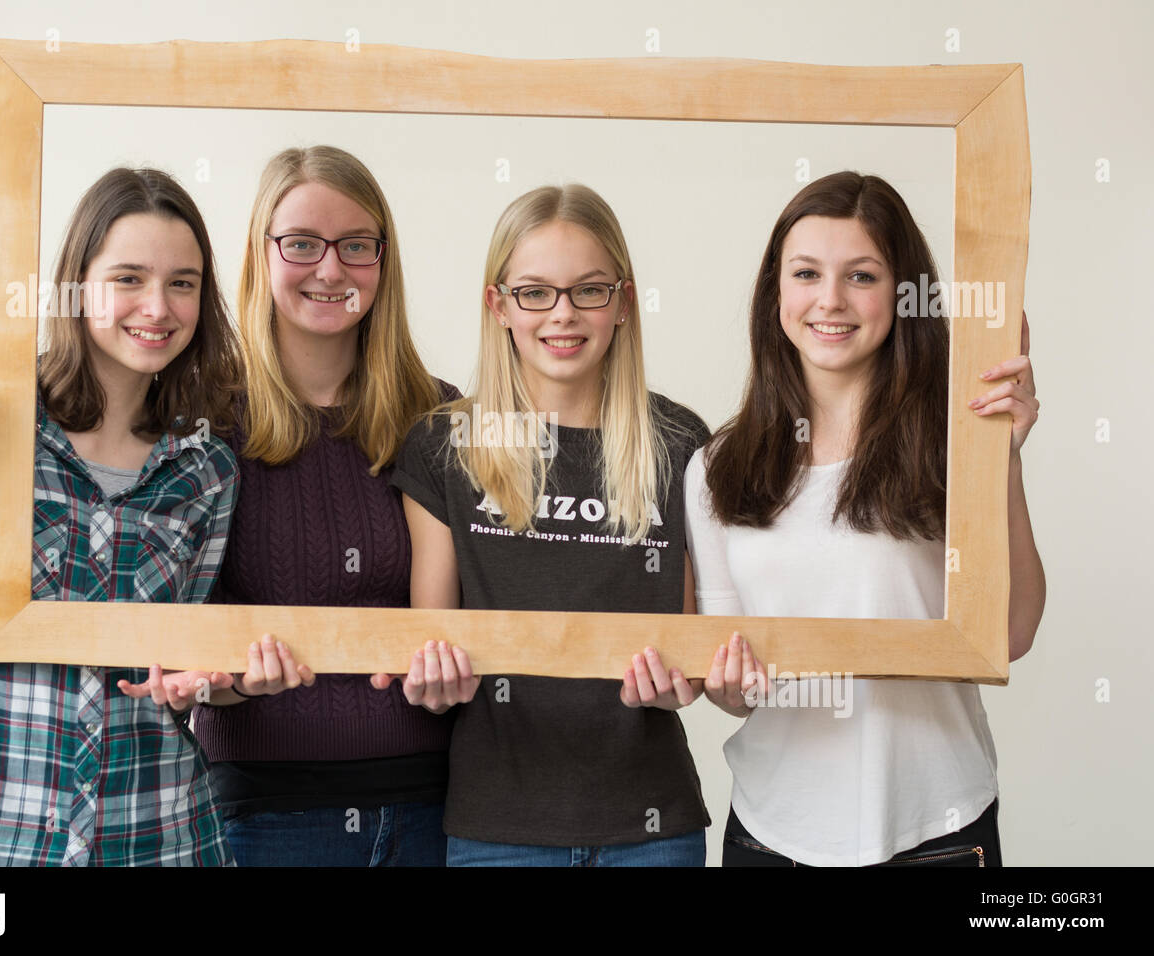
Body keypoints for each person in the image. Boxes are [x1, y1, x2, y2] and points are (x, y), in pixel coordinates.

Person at [0, 167, 245, 865]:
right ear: (77, 286)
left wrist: (210, 682)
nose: (157, 307)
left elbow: (189, 671)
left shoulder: (206, 469)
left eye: (182, 283)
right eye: (128, 278)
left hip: (154, 836)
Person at [684, 170, 1046, 866]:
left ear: (902, 293)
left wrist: (1001, 460)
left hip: (936, 827)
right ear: (775, 294)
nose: (830, 300)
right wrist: (724, 685)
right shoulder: (716, 469)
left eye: (862, 276)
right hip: (773, 831)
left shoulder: (954, 444)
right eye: (806, 273)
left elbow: (1013, 631)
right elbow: (730, 685)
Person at [381, 183, 712, 866]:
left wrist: (684, 680)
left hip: (651, 829)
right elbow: (432, 644)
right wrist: (432, 683)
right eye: (535, 292)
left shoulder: (679, 444)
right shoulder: (444, 446)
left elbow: (690, 651)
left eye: (588, 290)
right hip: (497, 830)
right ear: (498, 304)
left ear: (622, 302)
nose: (563, 314)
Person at [181, 146, 458, 867]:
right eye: (302, 243)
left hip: (430, 807)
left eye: (356, 246)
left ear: (383, 260)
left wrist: (462, 671)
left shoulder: (440, 417)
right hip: (262, 812)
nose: (331, 270)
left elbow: (471, 615)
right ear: (260, 253)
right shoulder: (201, 415)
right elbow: (178, 625)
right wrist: (231, 678)